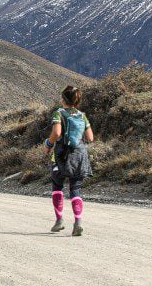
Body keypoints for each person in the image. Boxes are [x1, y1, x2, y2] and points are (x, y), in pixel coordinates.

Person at [43, 85, 94, 237]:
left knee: (57, 186)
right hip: (80, 155)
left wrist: (48, 144)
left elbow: (57, 132)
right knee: (75, 189)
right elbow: (90, 138)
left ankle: (59, 221)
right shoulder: (82, 115)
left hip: (62, 155)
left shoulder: (59, 113)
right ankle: (78, 222)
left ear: (63, 98)